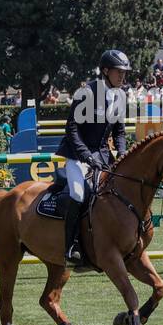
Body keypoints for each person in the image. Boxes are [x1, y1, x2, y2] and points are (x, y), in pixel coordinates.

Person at [54, 49, 131, 266]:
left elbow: (119, 132)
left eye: (125, 73)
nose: (122, 76)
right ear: (106, 71)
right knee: (79, 195)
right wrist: (86, 156)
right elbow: (72, 129)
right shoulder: (86, 92)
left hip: (103, 156)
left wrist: (123, 153)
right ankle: (70, 246)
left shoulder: (119, 95)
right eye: (119, 72)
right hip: (78, 155)